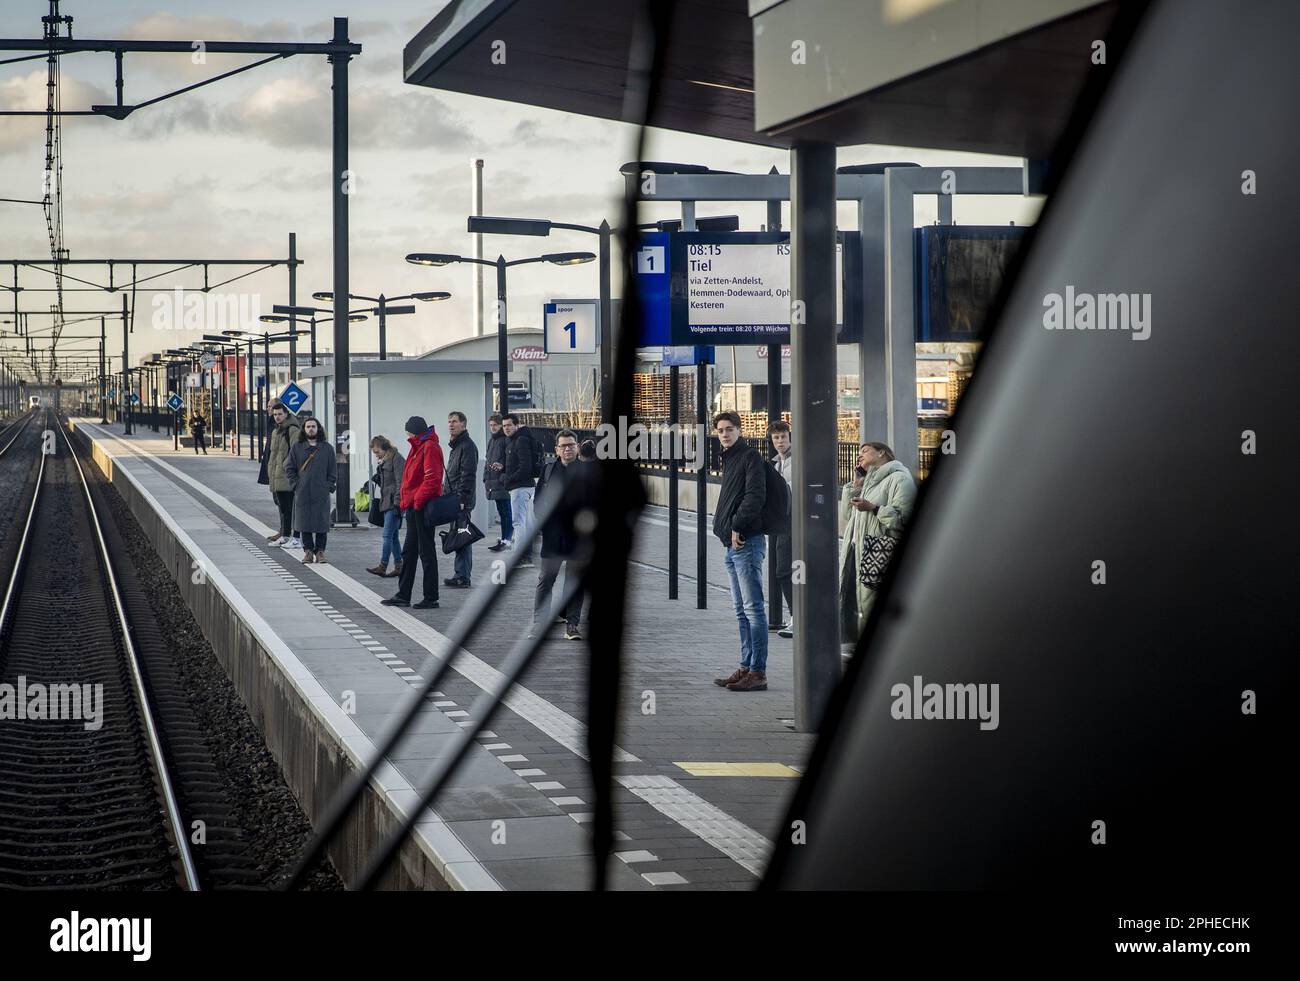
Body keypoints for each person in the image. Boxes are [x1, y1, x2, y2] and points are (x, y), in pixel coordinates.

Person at [710, 411, 769, 693]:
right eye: (720, 430)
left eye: (730, 429)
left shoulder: (750, 457)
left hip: (746, 542)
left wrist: (737, 526)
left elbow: (755, 496)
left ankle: (758, 672)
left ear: (739, 430)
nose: (725, 434)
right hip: (730, 546)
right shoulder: (730, 458)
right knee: (740, 611)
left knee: (753, 609)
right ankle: (746, 666)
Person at [838, 441, 917, 653]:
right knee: (854, 598)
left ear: (881, 453)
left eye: (865, 451)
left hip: (878, 550)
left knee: (870, 599)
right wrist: (854, 487)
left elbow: (903, 518)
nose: (859, 455)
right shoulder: (868, 483)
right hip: (856, 550)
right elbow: (848, 516)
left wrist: (874, 508)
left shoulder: (900, 478)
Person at [382, 416, 445, 609]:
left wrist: (417, 501)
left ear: (414, 431)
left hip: (422, 507)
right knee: (409, 552)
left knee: (426, 551)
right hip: (414, 506)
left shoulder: (429, 447)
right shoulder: (418, 446)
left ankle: (431, 597)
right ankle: (403, 594)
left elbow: (432, 479)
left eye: (408, 431)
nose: (407, 435)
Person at [532, 429, 585, 640]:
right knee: (546, 580)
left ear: (577, 447)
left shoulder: (586, 472)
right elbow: (538, 502)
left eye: (571, 444)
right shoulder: (547, 471)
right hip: (553, 537)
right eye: (563, 445)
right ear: (556, 449)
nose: (567, 449)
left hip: (577, 538)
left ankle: (572, 625)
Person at [285, 416, 337, 564]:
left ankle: (320, 552)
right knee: (304, 522)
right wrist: (296, 485)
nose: (311, 429)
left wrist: (328, 486)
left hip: (321, 493)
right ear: (304, 429)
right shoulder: (297, 447)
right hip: (303, 492)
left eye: (313, 426)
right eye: (308, 427)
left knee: (322, 523)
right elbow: (289, 468)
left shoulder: (327, 448)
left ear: (318, 428)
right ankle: (308, 551)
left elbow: (333, 470)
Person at [442, 410, 479, 588]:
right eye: (449, 421)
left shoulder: (467, 446)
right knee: (458, 535)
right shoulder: (457, 446)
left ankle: (463, 577)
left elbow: (468, 475)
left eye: (454, 421)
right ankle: (460, 574)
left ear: (463, 424)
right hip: (453, 498)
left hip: (460, 500)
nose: (451, 424)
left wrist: (462, 498)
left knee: (462, 537)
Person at [767, 420, 795, 638]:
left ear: (789, 437)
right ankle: (796, 615)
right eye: (776, 438)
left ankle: (797, 617)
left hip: (792, 520)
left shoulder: (798, 461)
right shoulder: (775, 464)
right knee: (782, 569)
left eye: (783, 437)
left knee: (785, 570)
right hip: (779, 521)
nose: (780, 441)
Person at [500, 412, 538, 568]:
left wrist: (508, 479)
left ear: (517, 425)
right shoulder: (517, 440)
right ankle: (525, 557)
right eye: (504, 426)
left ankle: (520, 558)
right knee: (525, 523)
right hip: (524, 486)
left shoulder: (520, 440)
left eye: (509, 425)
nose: (506, 428)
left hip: (520, 488)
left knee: (518, 523)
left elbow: (525, 467)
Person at [365, 435, 405, 578]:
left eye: (377, 452)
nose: (376, 454)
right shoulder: (385, 460)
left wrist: (398, 503)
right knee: (393, 536)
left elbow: (401, 482)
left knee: (387, 535)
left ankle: (383, 565)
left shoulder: (397, 458)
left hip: (394, 503)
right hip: (386, 502)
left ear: (384, 447)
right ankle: (399, 566)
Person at [265, 401, 302, 549]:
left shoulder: (292, 430)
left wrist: (287, 468)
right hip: (277, 475)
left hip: (287, 476)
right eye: (275, 415)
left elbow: (295, 452)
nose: (277, 417)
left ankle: (295, 537)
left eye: (280, 414)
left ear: (286, 414)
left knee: (291, 508)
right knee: (284, 508)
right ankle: (285, 536)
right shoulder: (276, 431)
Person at [484, 414, 513, 551]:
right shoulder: (492, 441)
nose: (493, 427)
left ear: (501, 425)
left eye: (495, 424)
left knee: (506, 512)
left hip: (502, 483)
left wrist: (503, 475)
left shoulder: (506, 440)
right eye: (491, 425)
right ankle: (504, 539)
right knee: (502, 512)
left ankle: (507, 540)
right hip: (493, 483)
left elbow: (511, 460)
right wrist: (486, 478)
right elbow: (488, 460)